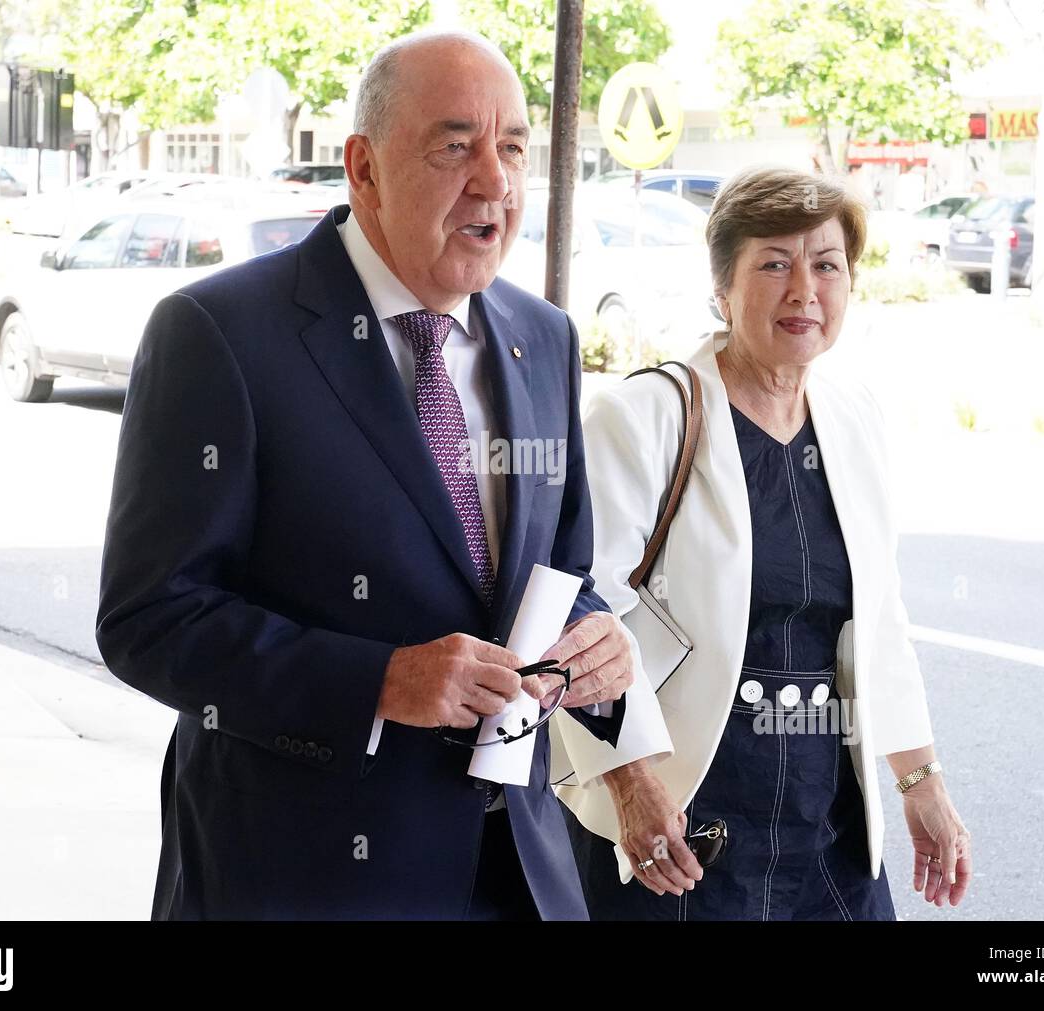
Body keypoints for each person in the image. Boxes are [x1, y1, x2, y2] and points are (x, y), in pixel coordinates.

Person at [94, 29, 649, 920]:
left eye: (512, 147)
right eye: (455, 144)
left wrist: (592, 643)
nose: (496, 181)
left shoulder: (542, 337)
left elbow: (565, 573)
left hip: (517, 873)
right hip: (300, 878)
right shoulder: (220, 332)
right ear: (363, 168)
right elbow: (149, 620)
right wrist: (379, 680)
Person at [559, 165, 972, 920]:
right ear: (722, 287)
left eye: (826, 265)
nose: (803, 290)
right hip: (685, 817)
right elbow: (583, 618)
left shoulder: (854, 418)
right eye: (774, 263)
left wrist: (921, 781)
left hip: (829, 820)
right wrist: (631, 779)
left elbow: (880, 620)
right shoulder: (645, 418)